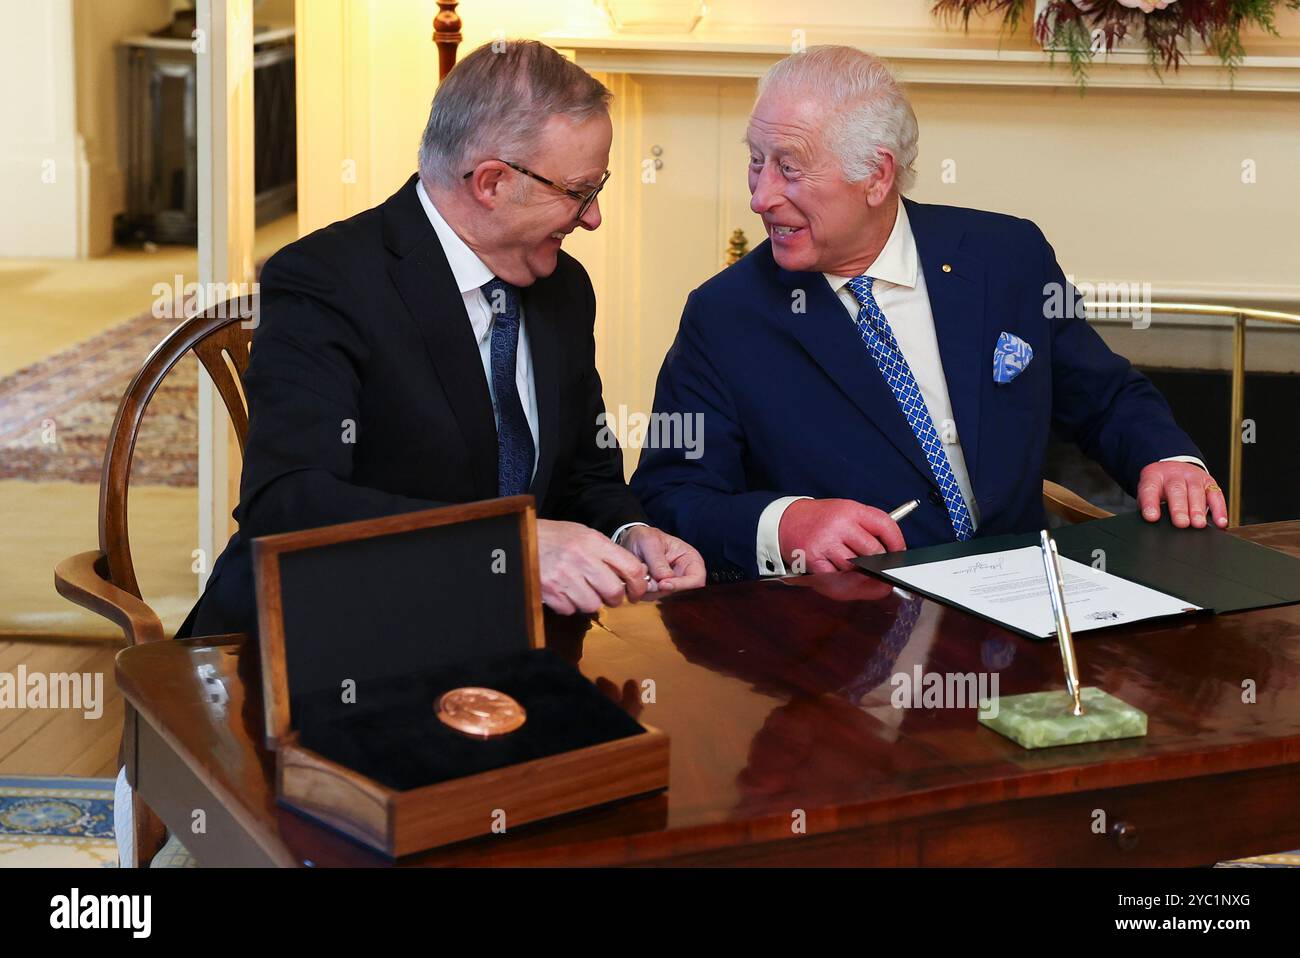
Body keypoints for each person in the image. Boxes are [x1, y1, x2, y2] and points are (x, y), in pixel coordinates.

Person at [631, 45, 1222, 582]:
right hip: (850, 638)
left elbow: (1105, 397)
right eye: (756, 161)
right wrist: (784, 525)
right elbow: (671, 492)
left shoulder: (1007, 257)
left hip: (1022, 612)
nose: (760, 196)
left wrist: (1167, 459)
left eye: (789, 167)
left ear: (876, 176)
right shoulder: (725, 315)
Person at [181, 39, 705, 639]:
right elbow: (290, 505)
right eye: (579, 192)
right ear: (491, 182)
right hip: (316, 644)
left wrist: (630, 534)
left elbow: (586, 473)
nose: (591, 217)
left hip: (503, 642)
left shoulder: (564, 289)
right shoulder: (325, 281)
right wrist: (512, 548)